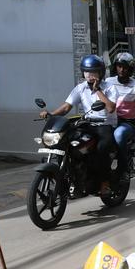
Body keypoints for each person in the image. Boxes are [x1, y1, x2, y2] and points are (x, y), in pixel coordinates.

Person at [40, 54, 111, 192]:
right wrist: (51, 114)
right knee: (67, 142)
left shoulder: (108, 87)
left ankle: (104, 182)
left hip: (104, 125)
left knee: (102, 148)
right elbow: (67, 106)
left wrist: (98, 91)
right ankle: (71, 175)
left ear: (101, 73)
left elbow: (110, 107)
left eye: (94, 72)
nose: (90, 76)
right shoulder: (81, 88)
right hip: (87, 124)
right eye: (87, 72)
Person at [100, 51, 135, 175]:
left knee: (119, 135)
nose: (122, 70)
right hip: (109, 120)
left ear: (130, 69)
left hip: (126, 122)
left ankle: (125, 165)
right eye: (119, 66)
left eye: (125, 67)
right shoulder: (108, 81)